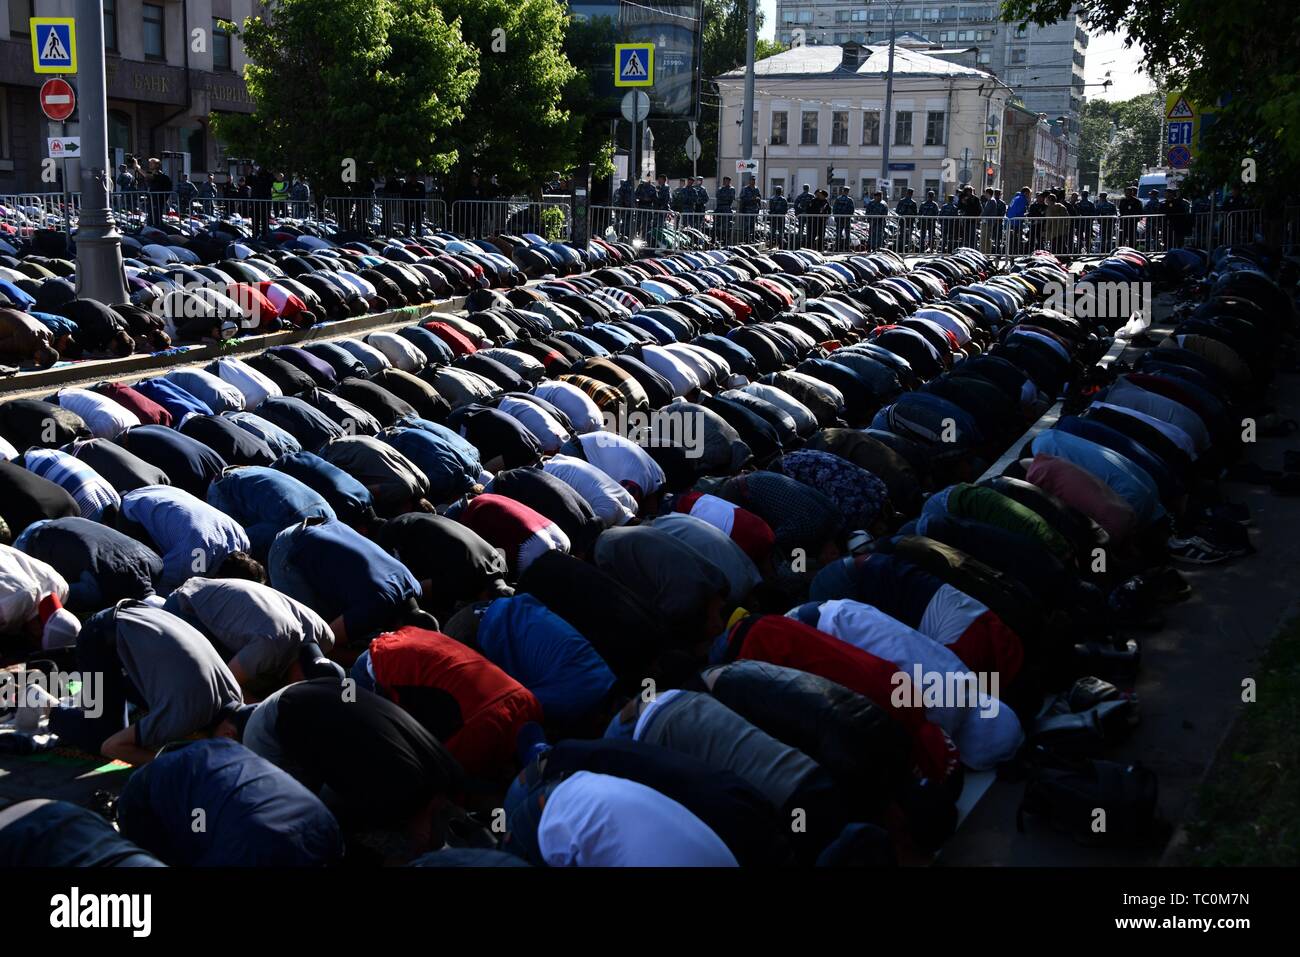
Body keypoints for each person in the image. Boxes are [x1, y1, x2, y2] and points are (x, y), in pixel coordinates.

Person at [48, 600, 244, 765]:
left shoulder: (235, 693)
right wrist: (172, 764)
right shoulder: (189, 713)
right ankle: (43, 702)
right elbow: (112, 747)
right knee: (102, 735)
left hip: (135, 620)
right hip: (99, 637)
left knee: (122, 713)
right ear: (228, 735)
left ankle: (99, 699)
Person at [351, 625, 542, 783]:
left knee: (439, 783)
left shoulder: (383, 669)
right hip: (523, 700)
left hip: (482, 723)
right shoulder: (413, 634)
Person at [163, 575, 342, 699]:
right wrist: (260, 712)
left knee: (268, 680)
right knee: (210, 690)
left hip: (215, 596)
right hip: (186, 607)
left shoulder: (326, 637)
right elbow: (225, 685)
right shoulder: (271, 644)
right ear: (301, 676)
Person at [268, 516, 431, 650]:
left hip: (324, 527)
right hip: (289, 548)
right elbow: (326, 642)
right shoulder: (376, 607)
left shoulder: (414, 585)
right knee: (308, 638)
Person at [117, 484, 258, 591]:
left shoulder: (241, 538)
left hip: (160, 491)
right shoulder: (197, 557)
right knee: (145, 574)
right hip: (134, 509)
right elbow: (161, 583)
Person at [144, 157, 172, 229]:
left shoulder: (162, 177)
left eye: (151, 163)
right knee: (150, 218)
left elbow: (148, 177)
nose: (149, 165)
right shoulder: (154, 175)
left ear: (157, 165)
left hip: (157, 201)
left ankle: (158, 231)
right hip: (151, 200)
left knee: (156, 219)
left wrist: (138, 167)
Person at [714, 175, 736, 243]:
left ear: (729, 182)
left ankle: (726, 239)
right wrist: (724, 197)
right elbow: (717, 196)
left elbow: (730, 198)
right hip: (719, 207)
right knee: (716, 224)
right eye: (724, 181)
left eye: (726, 181)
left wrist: (723, 197)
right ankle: (716, 238)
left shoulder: (731, 189)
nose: (725, 182)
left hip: (726, 207)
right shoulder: (720, 189)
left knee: (726, 225)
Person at [738, 177, 762, 241]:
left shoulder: (756, 189)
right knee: (747, 225)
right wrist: (751, 199)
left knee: (753, 225)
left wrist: (758, 199)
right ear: (749, 181)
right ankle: (746, 238)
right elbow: (742, 198)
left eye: (754, 180)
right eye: (752, 180)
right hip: (747, 210)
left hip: (755, 210)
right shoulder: (745, 189)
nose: (753, 182)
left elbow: (759, 197)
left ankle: (752, 238)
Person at [832, 186, 855, 252]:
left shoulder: (838, 199)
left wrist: (836, 217)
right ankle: (847, 248)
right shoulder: (850, 200)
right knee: (847, 234)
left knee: (838, 234)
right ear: (847, 192)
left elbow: (834, 209)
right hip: (846, 219)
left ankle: (837, 248)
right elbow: (852, 210)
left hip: (839, 219)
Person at [895, 187, 918, 252]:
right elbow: (897, 211)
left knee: (905, 235)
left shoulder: (912, 202)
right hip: (904, 221)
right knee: (905, 235)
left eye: (910, 193)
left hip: (908, 221)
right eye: (910, 193)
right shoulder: (904, 201)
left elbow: (915, 213)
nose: (910, 194)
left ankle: (904, 249)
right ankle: (904, 249)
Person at [793, 183, 814, 248]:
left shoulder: (800, 196)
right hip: (809, 215)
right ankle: (808, 244)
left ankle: (799, 243)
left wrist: (798, 212)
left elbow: (795, 205)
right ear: (808, 188)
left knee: (801, 229)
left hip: (801, 214)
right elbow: (814, 205)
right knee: (809, 229)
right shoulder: (811, 196)